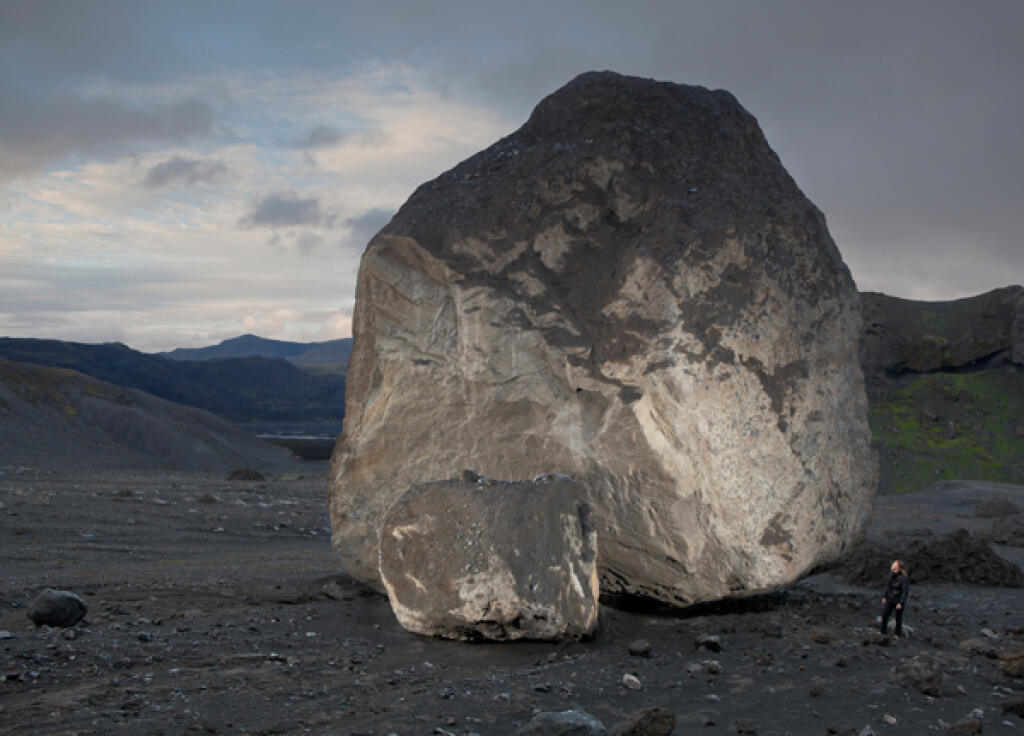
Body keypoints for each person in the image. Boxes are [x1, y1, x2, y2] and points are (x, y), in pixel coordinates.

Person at [880, 559, 909, 637]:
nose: (892, 566)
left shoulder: (904, 579)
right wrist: (884, 596)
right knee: (884, 614)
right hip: (890, 598)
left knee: (898, 617)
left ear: (899, 567)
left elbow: (905, 592)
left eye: (894, 565)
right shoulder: (891, 575)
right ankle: (883, 631)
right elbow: (887, 586)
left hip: (898, 599)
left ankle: (897, 633)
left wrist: (901, 602)